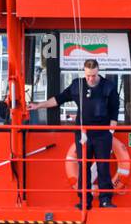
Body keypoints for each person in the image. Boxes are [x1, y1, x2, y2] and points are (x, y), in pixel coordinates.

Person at [30, 58, 122, 208]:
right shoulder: (76, 86)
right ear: (84, 73)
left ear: (98, 71)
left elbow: (114, 112)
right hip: (83, 134)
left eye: (93, 75)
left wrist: (110, 133)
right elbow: (58, 99)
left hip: (102, 134)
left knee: (103, 166)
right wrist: (38, 105)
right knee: (83, 167)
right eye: (88, 76)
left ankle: (105, 200)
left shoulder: (108, 87)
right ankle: (84, 200)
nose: (91, 79)